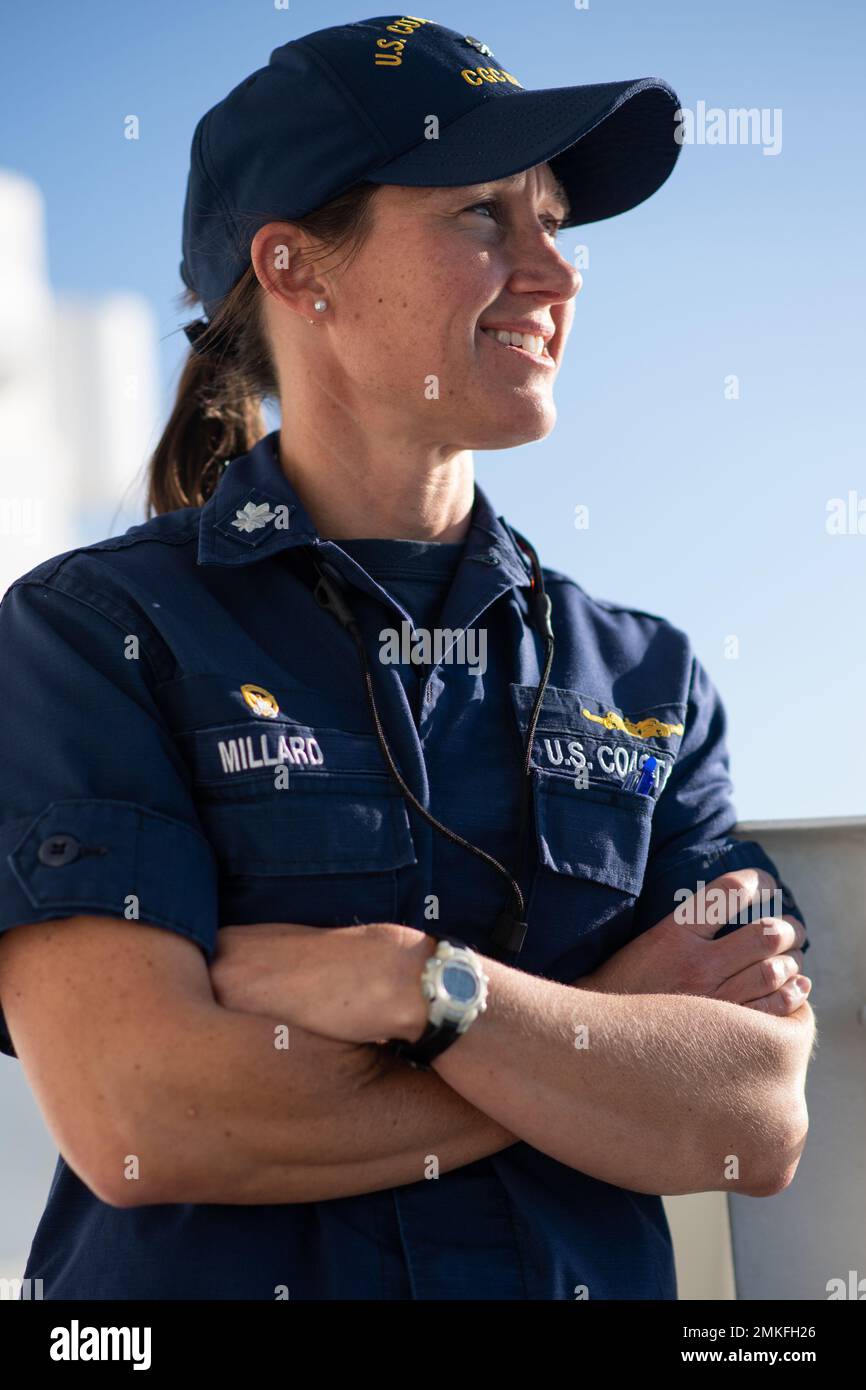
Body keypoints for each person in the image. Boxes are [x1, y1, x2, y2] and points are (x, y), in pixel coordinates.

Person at [0, 16, 815, 1301]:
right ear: (295, 268)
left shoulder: (645, 680)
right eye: (485, 218)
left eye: (554, 218)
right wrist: (593, 1034)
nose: (558, 273)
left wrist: (418, 988)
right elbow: (145, 1114)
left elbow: (750, 1116)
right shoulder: (91, 636)